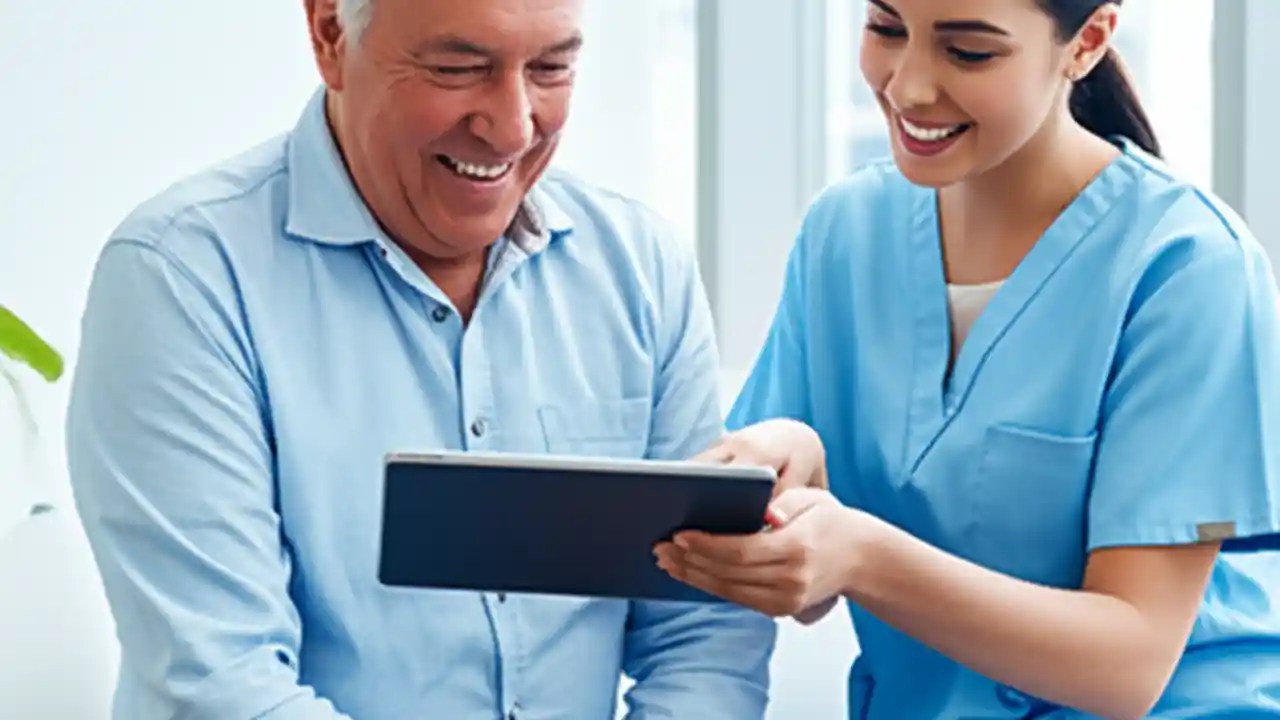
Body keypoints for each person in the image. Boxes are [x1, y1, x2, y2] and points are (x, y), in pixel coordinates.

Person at [65, 0, 776, 718]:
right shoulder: (183, 278)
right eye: (458, 68)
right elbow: (221, 682)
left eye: (552, 67)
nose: (513, 125)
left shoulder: (641, 269)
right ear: (329, 34)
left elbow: (705, 634)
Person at [655, 0, 1280, 717]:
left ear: (1087, 43)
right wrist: (797, 469)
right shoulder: (845, 234)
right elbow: (802, 591)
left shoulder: (1189, 269)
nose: (909, 86)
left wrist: (859, 552)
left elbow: (1127, 668)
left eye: (969, 53)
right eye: (887, 29)